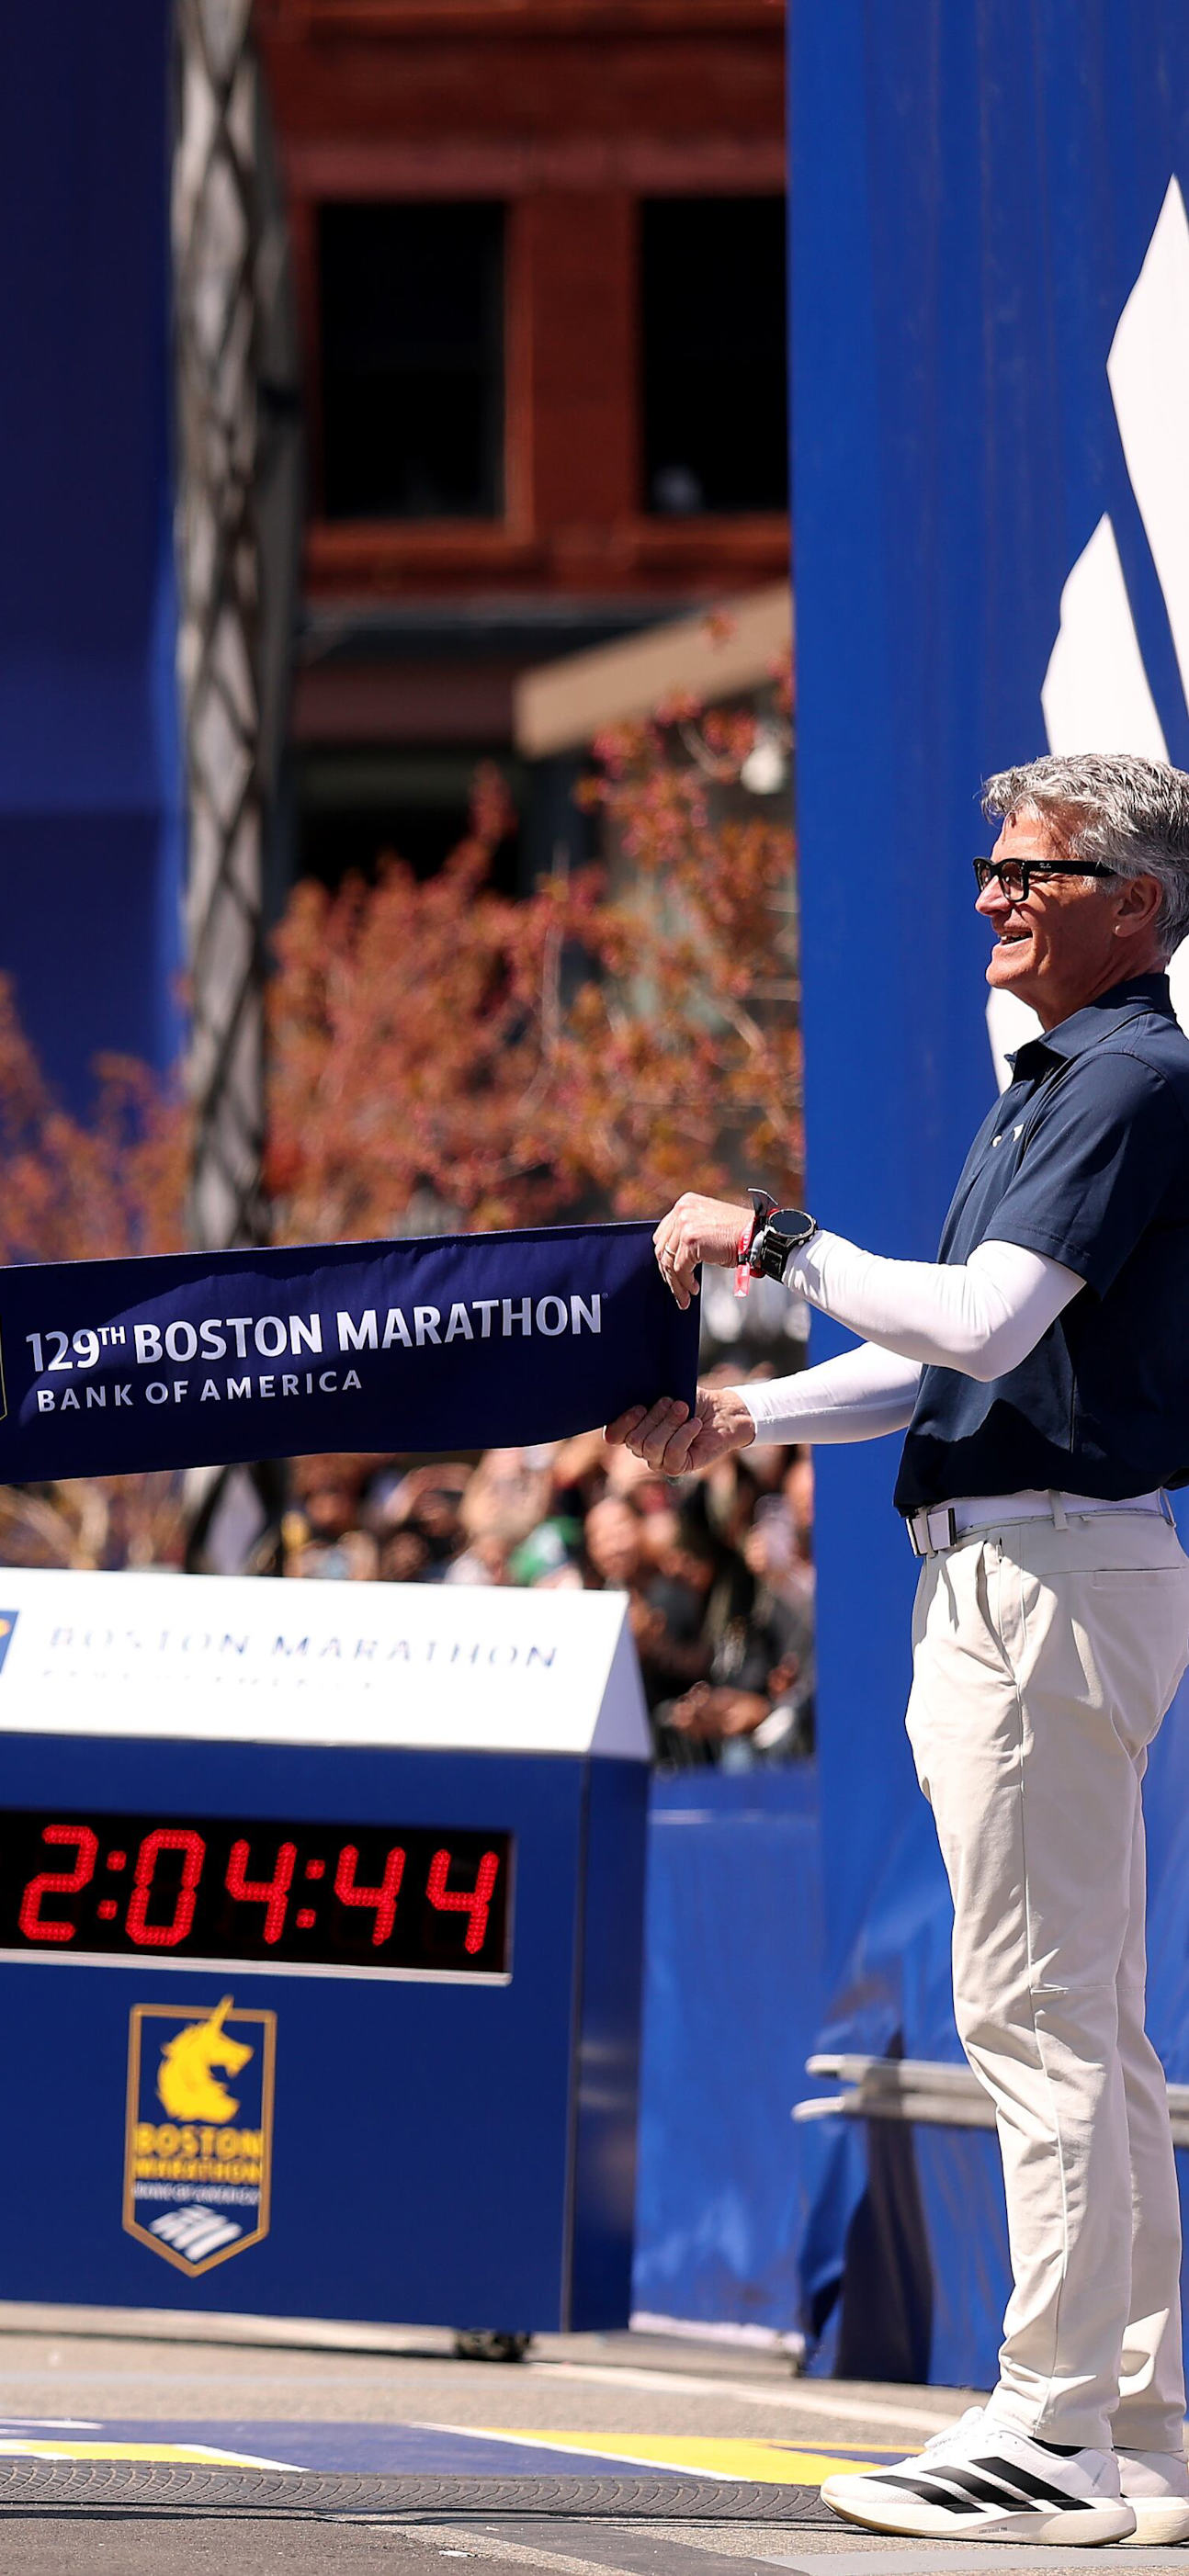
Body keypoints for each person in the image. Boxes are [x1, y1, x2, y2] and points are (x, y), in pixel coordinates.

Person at [613, 752, 1189, 2547]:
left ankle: (1052, 2425)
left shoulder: (1123, 1074)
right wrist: (745, 1419)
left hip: (1040, 1583)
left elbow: (979, 1315)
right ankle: (1141, 2432)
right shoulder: (1071, 1081)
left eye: (1036, 874)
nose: (993, 900)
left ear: (1135, 906)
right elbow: (950, 1357)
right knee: (1087, 2025)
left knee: (1036, 2022)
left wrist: (778, 1241)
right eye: (993, 869)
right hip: (1044, 1570)